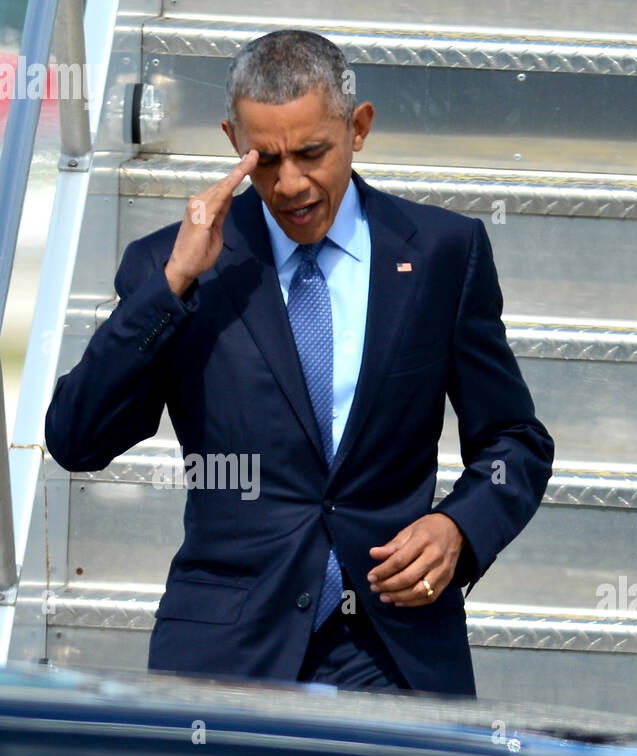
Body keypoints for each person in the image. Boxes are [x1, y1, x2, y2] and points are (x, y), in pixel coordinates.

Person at [44, 28, 552, 694]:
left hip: (394, 650)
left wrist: (459, 526)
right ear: (233, 141)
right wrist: (170, 288)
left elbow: (514, 441)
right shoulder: (175, 266)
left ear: (358, 128)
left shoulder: (441, 254)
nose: (290, 184)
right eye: (265, 160)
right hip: (227, 656)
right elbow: (77, 440)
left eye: (312, 153)